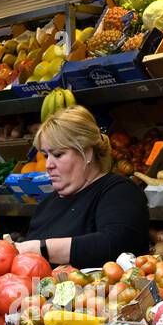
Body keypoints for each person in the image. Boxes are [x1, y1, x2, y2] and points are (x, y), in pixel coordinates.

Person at [16, 106, 148, 267]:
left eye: (57, 154)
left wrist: (42, 249)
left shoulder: (120, 191)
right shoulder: (46, 205)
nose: (48, 165)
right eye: (45, 156)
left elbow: (116, 244)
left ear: (87, 153)